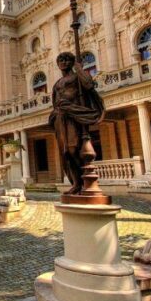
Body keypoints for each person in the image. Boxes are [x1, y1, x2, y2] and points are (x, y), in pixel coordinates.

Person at [48, 52, 105, 195]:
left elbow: (89, 85)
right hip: (60, 117)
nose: (64, 62)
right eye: (61, 59)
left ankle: (85, 182)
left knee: (73, 149)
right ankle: (77, 183)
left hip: (74, 115)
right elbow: (55, 102)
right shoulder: (57, 84)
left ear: (72, 62)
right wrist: (55, 114)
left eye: (67, 60)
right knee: (65, 152)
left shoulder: (77, 78)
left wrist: (79, 68)